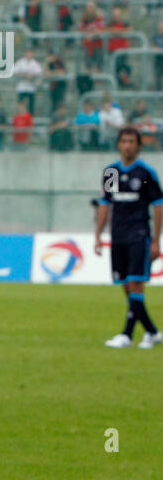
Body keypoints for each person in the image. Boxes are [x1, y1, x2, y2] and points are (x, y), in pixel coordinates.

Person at [97, 127, 162, 348]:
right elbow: (105, 204)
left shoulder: (145, 174)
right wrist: (98, 235)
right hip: (118, 235)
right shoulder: (111, 172)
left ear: (139, 146)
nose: (127, 145)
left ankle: (126, 335)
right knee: (126, 285)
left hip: (139, 234)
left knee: (136, 283)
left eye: (131, 141)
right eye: (123, 141)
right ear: (118, 144)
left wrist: (155, 240)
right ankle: (152, 331)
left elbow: (158, 205)